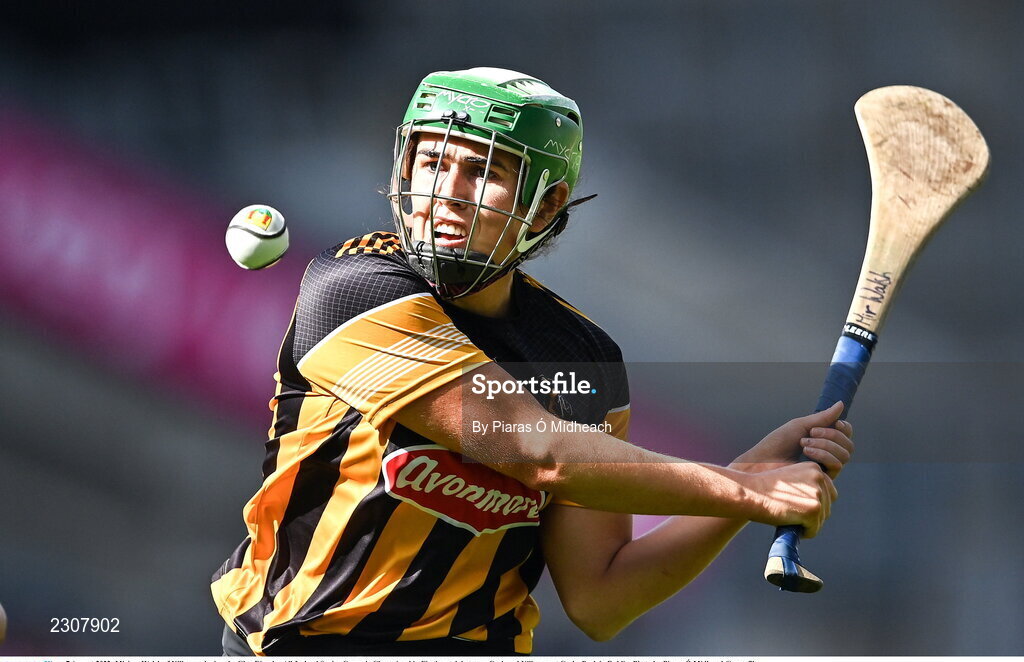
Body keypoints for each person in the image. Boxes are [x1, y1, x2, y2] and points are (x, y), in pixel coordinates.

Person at [211, 67, 854, 656]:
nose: (447, 195)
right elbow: (532, 448)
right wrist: (742, 488)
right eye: (432, 162)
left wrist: (746, 482)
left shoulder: (584, 358)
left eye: (483, 172)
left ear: (546, 206)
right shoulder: (353, 289)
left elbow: (603, 599)